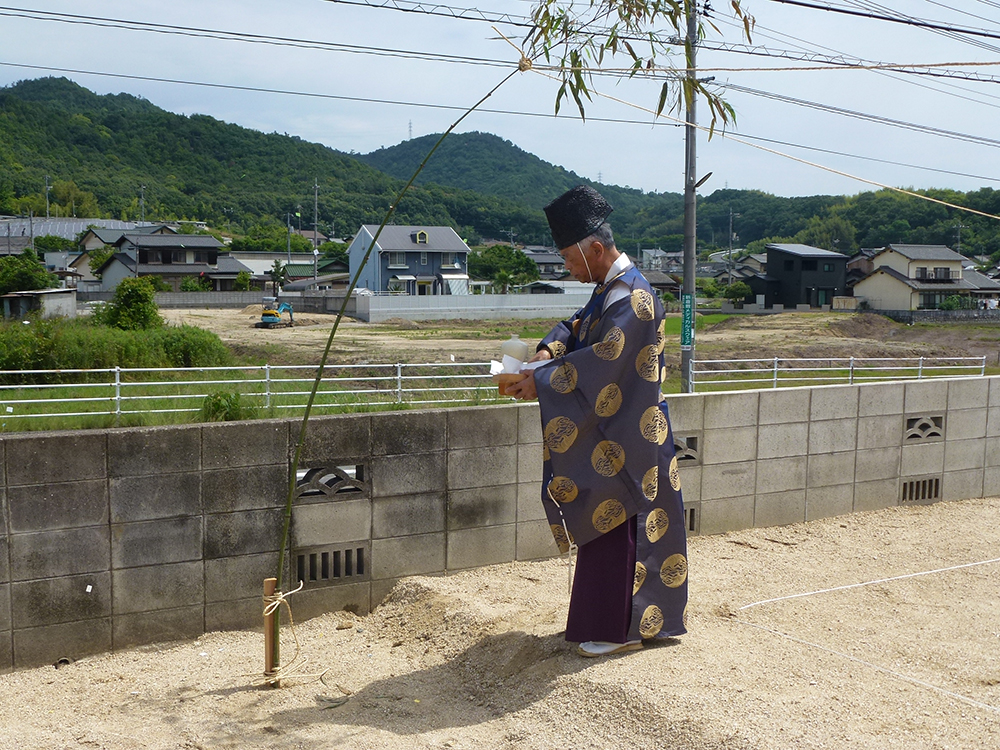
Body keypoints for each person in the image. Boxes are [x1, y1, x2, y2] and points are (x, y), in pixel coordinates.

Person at [505, 185, 688, 657]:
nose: (567, 267)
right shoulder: (609, 291)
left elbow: (605, 360)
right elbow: (573, 328)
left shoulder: (635, 301)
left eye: (569, 258)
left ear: (596, 249)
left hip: (634, 433)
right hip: (619, 430)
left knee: (623, 528)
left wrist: (540, 380)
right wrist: (546, 352)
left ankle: (616, 629)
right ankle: (635, 625)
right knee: (614, 527)